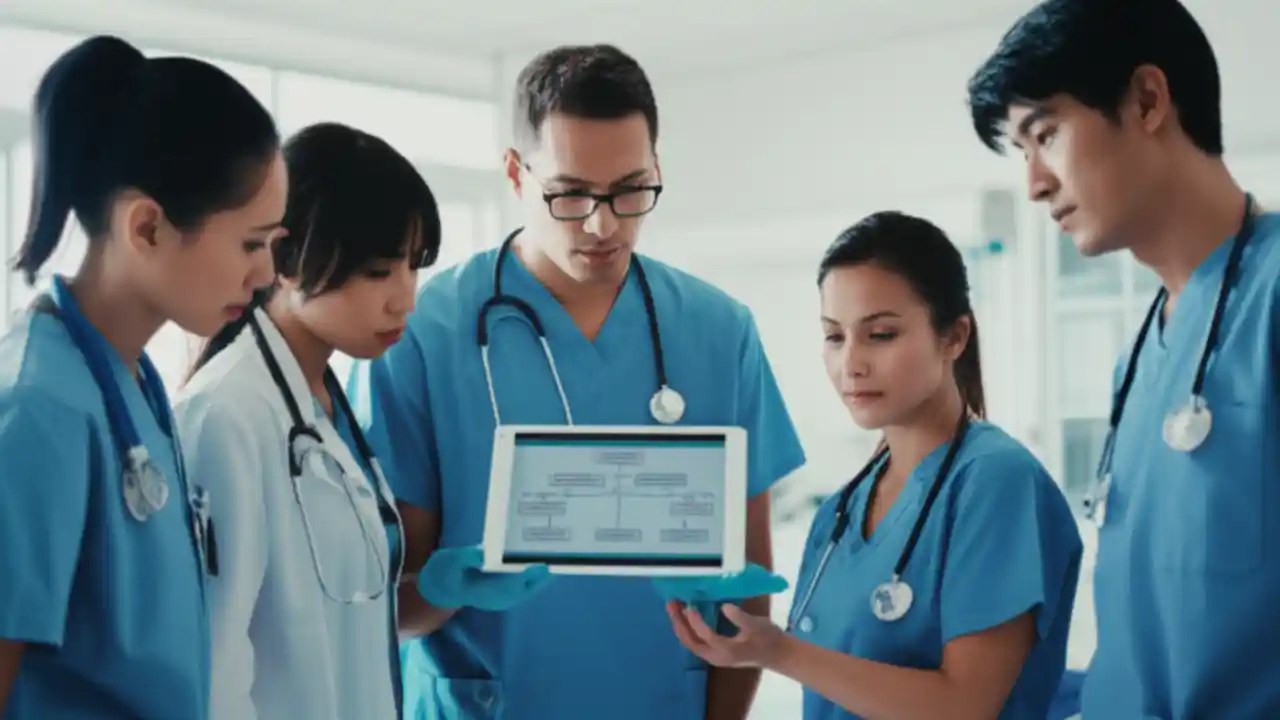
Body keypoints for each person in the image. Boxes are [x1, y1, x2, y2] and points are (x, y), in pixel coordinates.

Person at [346, 44, 805, 719]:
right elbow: (392, 606)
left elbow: (748, 590)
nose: (604, 224)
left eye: (630, 190)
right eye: (570, 194)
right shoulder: (422, 332)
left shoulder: (718, 331)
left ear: (656, 168)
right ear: (515, 174)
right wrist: (446, 588)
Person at [967, 1, 1280, 716]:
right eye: (1022, 153)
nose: (1034, 183)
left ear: (1146, 100)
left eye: (1044, 134)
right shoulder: (1136, 365)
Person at [667, 212, 1084, 720]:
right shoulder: (840, 513)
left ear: (954, 336)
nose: (852, 364)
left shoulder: (996, 481)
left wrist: (778, 651)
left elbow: (965, 705)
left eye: (880, 334)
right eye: (834, 337)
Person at [0, 36, 284, 719]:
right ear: (148, 228)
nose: (268, 275)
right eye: (251, 243)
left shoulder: (135, 383)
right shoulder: (39, 406)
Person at [173, 122, 442, 720]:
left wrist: (438, 591)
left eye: (413, 268)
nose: (406, 299)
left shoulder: (325, 404)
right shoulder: (228, 415)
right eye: (378, 272)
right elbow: (213, 665)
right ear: (287, 258)